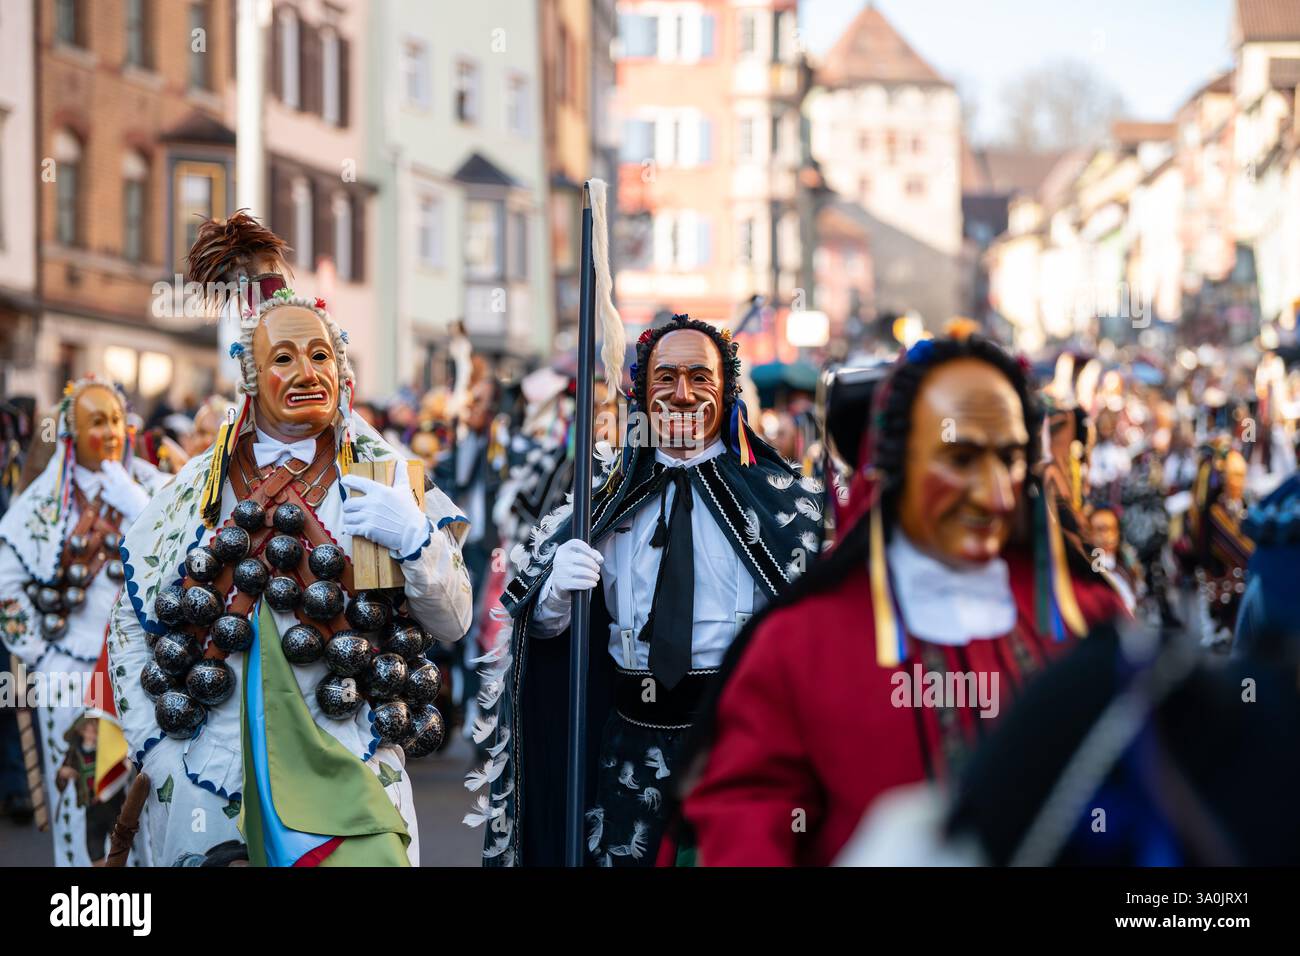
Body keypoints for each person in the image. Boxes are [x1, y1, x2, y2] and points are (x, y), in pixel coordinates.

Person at [106, 212, 474, 867]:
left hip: (352, 766)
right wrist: (155, 751)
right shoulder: (195, 488)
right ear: (250, 376)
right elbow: (131, 628)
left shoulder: (387, 476)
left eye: (321, 355)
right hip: (214, 778)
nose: (308, 372)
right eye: (284, 358)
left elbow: (453, 621)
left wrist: (417, 540)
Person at [679, 331, 1125, 866]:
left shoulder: (1087, 617)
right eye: (961, 458)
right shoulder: (800, 647)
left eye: (1009, 457)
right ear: (894, 465)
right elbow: (745, 824)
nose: (995, 495)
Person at [471, 313, 821, 867]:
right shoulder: (599, 501)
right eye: (665, 377)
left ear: (727, 389)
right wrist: (554, 595)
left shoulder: (785, 504)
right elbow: (541, 639)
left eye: (700, 377)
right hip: (628, 751)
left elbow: (820, 637)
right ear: (641, 392)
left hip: (738, 745)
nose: (682, 394)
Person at [0, 376, 168, 865]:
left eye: (116, 420)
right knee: (77, 797)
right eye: (96, 422)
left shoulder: (154, 489)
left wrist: (138, 504)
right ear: (71, 432)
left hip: (143, 675)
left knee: (147, 796)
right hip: (70, 674)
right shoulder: (42, 503)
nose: (111, 431)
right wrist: (41, 655)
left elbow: (184, 558)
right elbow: (6, 587)